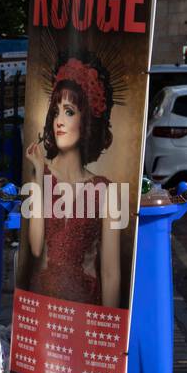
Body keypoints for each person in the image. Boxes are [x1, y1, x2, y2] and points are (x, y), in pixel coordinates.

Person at [24, 55, 121, 309]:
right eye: (56, 111)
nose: (59, 121)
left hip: (86, 304)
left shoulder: (107, 191)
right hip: (45, 303)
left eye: (69, 112)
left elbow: (111, 273)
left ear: (87, 119)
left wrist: (110, 333)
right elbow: (35, 248)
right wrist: (37, 176)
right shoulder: (41, 175)